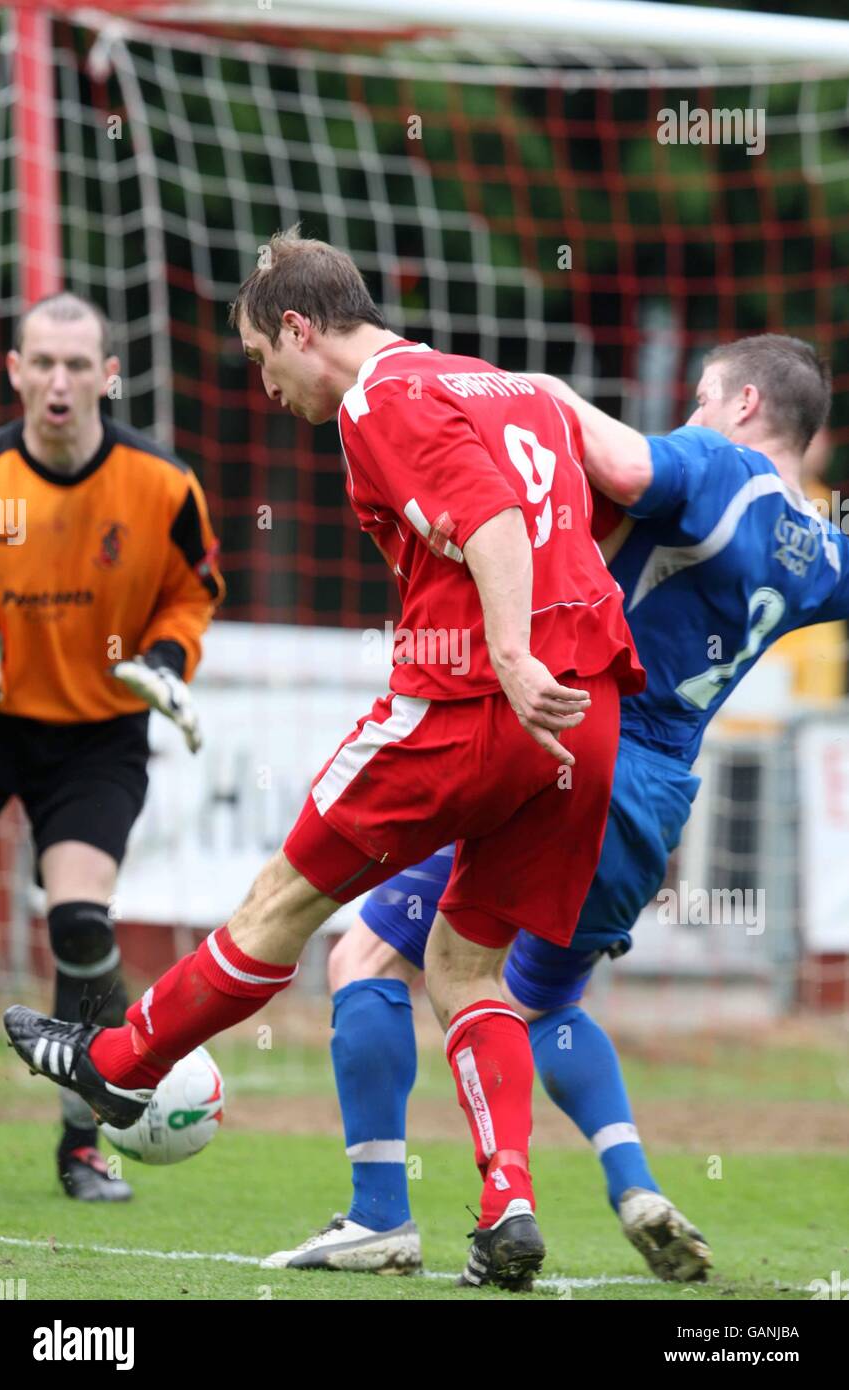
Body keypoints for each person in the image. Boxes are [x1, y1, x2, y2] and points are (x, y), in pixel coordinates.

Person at [4, 229, 644, 1291]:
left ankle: (114, 1067)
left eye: (262, 356)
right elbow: (599, 496)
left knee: (279, 906)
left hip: (476, 700)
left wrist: (512, 652)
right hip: (586, 717)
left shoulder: (374, 400)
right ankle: (505, 1202)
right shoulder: (510, 386)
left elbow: (487, 519)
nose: (265, 384)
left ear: (300, 328)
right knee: (465, 965)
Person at [265, 333, 842, 1287]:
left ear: (743, 406)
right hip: (657, 806)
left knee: (368, 954)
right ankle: (634, 1185)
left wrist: (515, 389)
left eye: (701, 398)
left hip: (573, 747)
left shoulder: (715, 462)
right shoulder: (821, 551)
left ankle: (384, 1213)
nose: (690, 415)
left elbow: (616, 458)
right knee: (542, 1004)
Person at [0, 292, 223, 1200]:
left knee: (81, 922)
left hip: (97, 738)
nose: (58, 381)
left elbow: (194, 592)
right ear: (15, 371)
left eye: (78, 365)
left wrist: (165, 659)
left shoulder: (161, 485)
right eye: (41, 362)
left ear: (108, 376)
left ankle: (82, 1140)